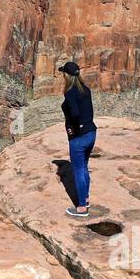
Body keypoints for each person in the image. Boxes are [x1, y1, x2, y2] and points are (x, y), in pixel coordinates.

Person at [59, 60, 96, 219]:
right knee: (84, 167)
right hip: (91, 133)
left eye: (63, 74)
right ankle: (85, 199)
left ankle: (81, 208)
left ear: (67, 76)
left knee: (79, 170)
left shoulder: (70, 92)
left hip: (79, 138)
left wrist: (73, 130)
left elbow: (74, 113)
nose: (63, 76)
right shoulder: (85, 90)